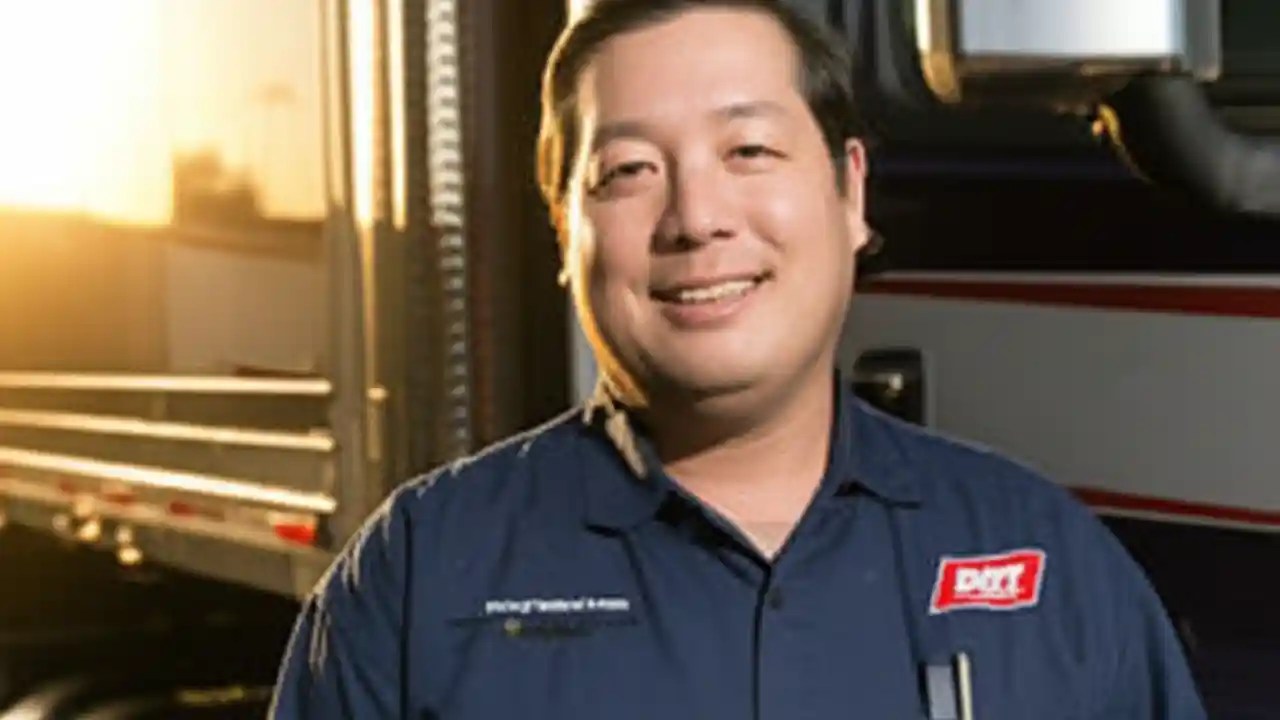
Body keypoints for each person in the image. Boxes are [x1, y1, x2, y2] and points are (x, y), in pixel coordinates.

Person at [270, 1, 1207, 717]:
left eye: (749, 149)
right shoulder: (418, 580)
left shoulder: (1053, 563)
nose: (696, 218)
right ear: (564, 231)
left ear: (850, 193)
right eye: (629, 171)